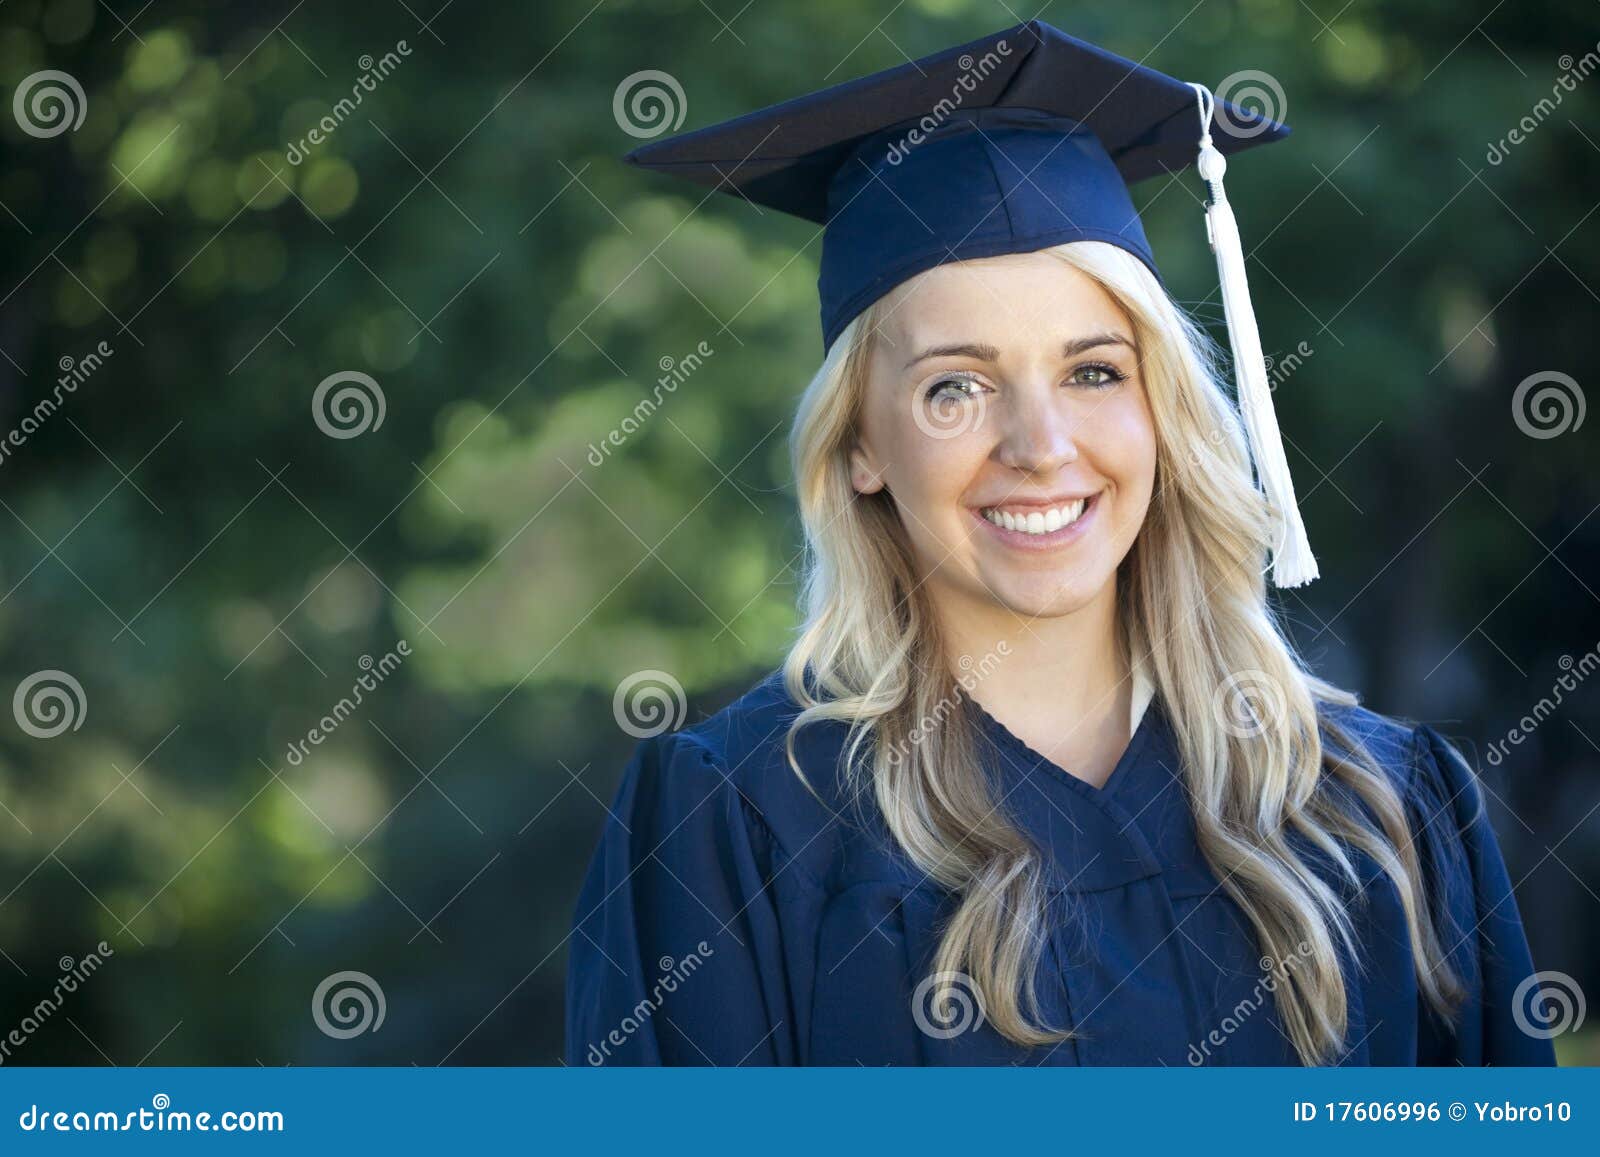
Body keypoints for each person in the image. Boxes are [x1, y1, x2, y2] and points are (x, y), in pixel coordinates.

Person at [565, 19, 1555, 1066]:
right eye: (956, 385)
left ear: (1161, 408)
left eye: (1093, 371)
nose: (1040, 446)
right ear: (860, 441)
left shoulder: (1376, 806)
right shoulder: (741, 822)